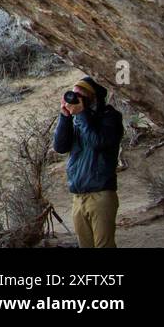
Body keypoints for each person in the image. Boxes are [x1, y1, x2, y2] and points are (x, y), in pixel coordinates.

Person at [52, 76, 123, 248]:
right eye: (74, 93)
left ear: (93, 97)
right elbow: (60, 147)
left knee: (104, 245)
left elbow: (97, 142)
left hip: (101, 194)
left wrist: (82, 114)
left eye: (80, 95)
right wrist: (65, 117)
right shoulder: (77, 120)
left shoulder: (110, 117)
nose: (75, 97)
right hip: (78, 196)